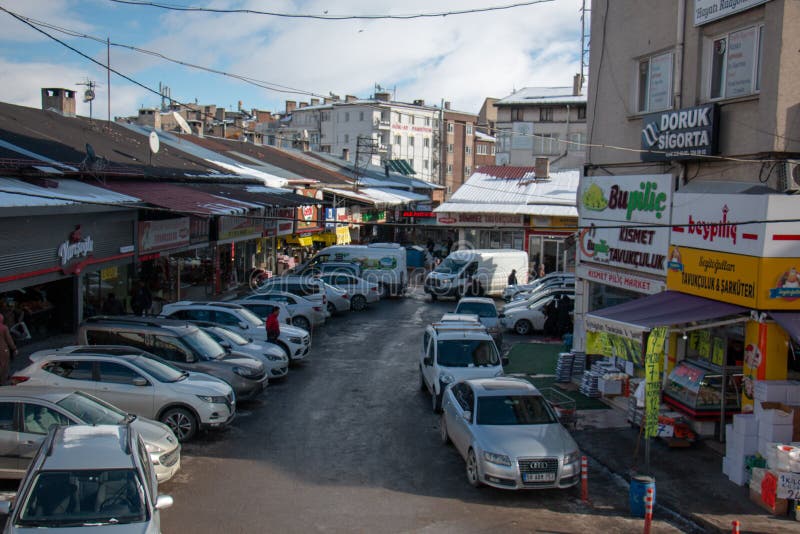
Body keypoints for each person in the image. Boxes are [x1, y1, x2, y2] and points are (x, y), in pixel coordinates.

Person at [0, 314, 17, 385]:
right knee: (4, 365)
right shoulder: (4, 328)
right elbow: (9, 339)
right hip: (3, 349)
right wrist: (14, 348)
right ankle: (2, 381)